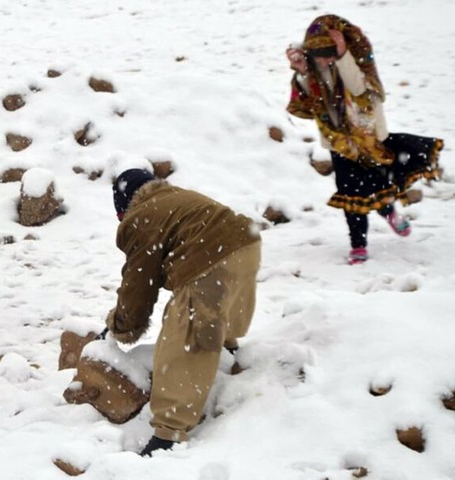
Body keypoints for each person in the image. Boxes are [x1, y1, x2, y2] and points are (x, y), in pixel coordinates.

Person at [105, 168, 261, 456]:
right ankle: (228, 350)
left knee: (183, 338)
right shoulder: (177, 197)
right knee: (218, 309)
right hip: (246, 241)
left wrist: (122, 324)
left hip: (209, 255)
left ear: (124, 208)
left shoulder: (140, 218)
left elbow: (138, 285)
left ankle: (169, 433)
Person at [286, 14, 444, 265]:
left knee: (377, 187)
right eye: (318, 56)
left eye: (327, 54)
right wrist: (303, 71)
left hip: (369, 138)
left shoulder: (356, 56)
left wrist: (342, 55)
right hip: (340, 144)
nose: (323, 60)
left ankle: (389, 212)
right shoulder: (313, 70)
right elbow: (309, 102)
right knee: (351, 196)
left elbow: (360, 88)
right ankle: (358, 245)